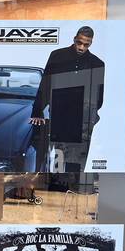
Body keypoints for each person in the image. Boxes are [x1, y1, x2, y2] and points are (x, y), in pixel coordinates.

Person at [30, 26, 105, 175]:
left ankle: (74, 184)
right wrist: (37, 111)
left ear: (91, 43)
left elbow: (99, 94)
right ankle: (57, 184)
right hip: (60, 114)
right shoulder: (57, 56)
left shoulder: (97, 63)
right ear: (74, 39)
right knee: (59, 154)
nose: (82, 47)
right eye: (79, 42)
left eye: (86, 44)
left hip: (82, 119)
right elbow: (45, 84)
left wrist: (92, 115)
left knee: (77, 159)